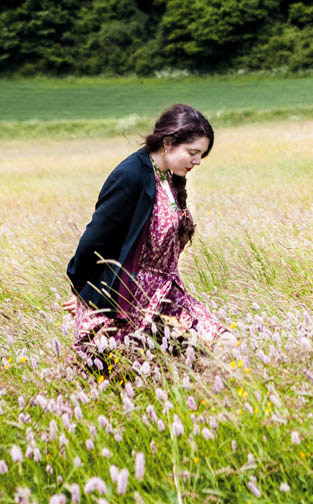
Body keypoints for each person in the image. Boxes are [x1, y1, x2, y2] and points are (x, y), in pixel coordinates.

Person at [66, 103, 230, 365]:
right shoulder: (131, 175)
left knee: (222, 346)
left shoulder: (169, 177)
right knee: (131, 375)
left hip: (167, 296)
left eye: (201, 155)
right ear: (168, 142)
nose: (197, 161)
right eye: (193, 152)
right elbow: (95, 239)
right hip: (126, 306)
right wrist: (83, 290)